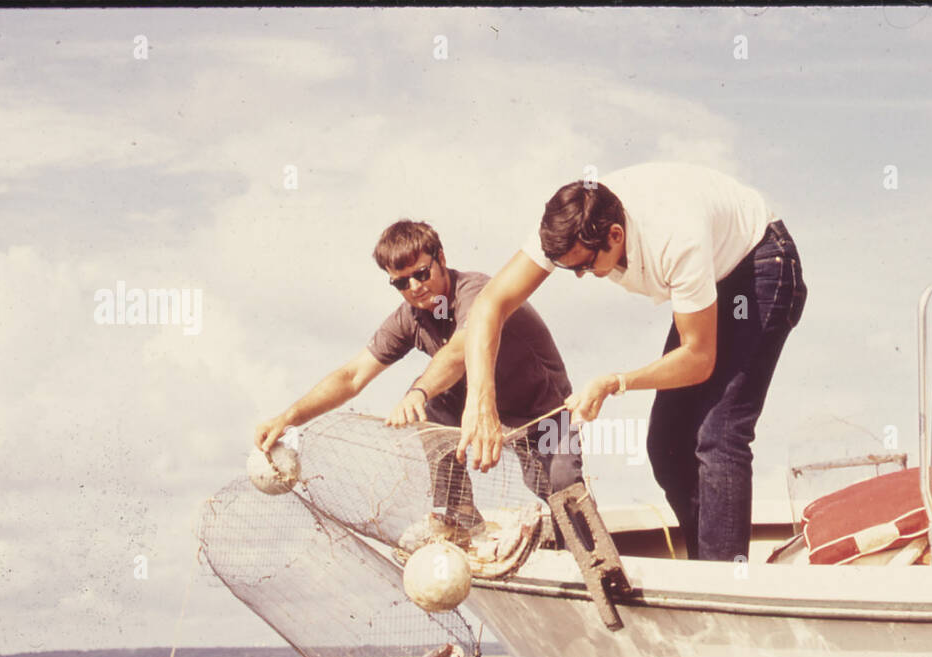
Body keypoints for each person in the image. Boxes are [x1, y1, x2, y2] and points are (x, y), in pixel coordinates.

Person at [455, 163, 808, 561]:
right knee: (666, 446)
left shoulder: (676, 237)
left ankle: (724, 578)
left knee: (719, 433)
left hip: (760, 266)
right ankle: (705, 562)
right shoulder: (570, 220)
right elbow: (490, 304)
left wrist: (616, 382)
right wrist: (480, 403)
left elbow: (699, 357)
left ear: (616, 235)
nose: (580, 276)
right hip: (714, 272)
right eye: (568, 268)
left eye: (585, 265)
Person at [255, 220, 582, 523]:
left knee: (563, 494)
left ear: (441, 258)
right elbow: (352, 376)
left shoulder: (476, 291)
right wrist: (288, 418)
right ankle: (462, 517)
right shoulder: (409, 317)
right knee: (427, 407)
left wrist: (418, 389)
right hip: (473, 409)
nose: (414, 287)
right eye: (400, 282)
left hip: (542, 413)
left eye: (422, 273)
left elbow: (459, 352)